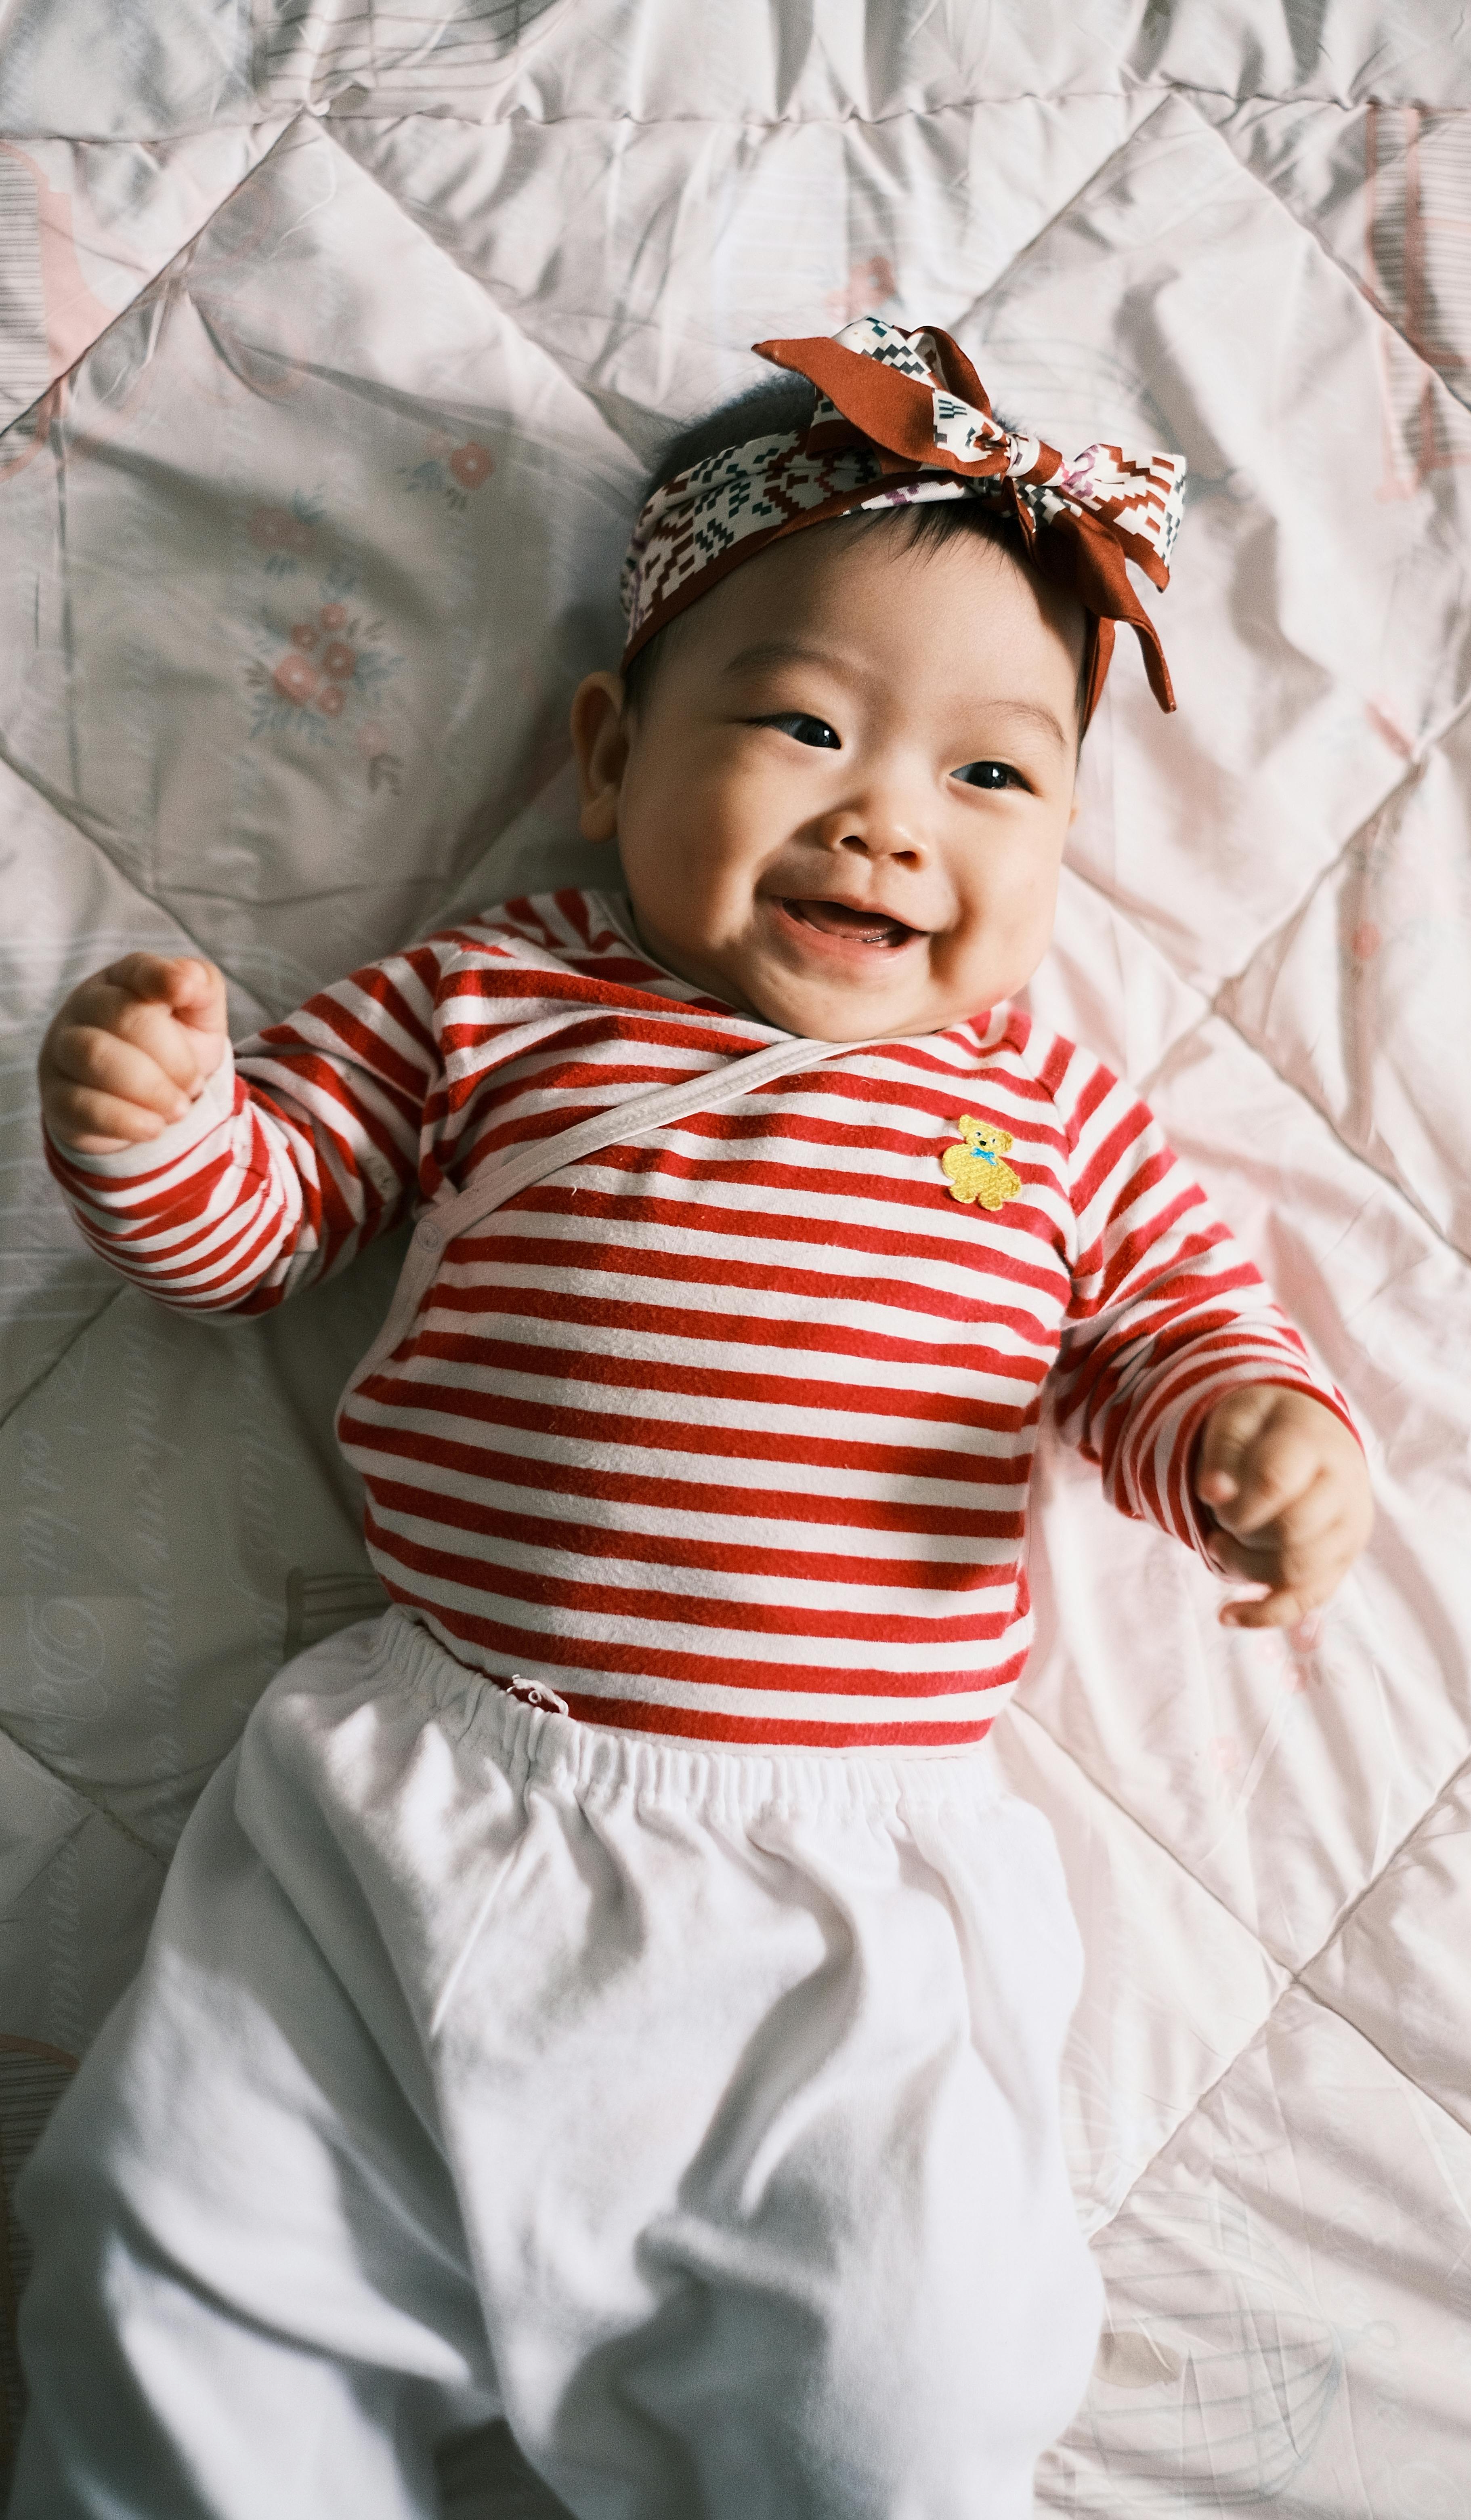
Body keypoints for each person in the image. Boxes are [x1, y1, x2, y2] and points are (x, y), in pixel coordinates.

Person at [15, 317, 1372, 2519]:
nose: (885, 820)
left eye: (993, 778)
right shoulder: (499, 997)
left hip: (846, 1897)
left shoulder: (1045, 1113)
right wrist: (160, 1126)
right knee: (181, 2254)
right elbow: (266, 1228)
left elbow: (1162, 1339)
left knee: (902, 2379)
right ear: (604, 749)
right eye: (803, 724)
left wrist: (1253, 1436)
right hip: (424, 1811)